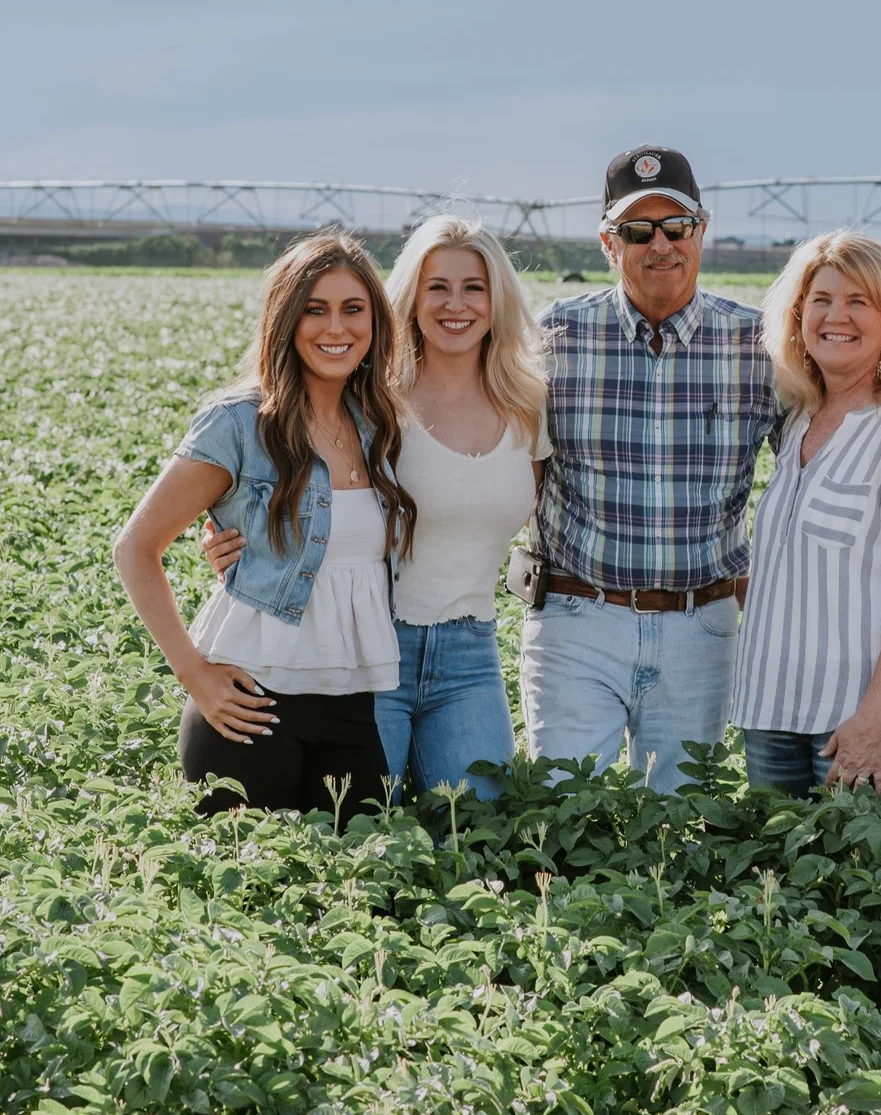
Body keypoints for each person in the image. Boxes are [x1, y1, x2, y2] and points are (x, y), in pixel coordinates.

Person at [202, 214, 547, 801]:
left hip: (470, 649)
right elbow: (284, 468)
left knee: (481, 827)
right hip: (369, 648)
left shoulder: (529, 405)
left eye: (474, 286)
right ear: (410, 299)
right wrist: (233, 534)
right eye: (437, 287)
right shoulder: (373, 399)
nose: (454, 305)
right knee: (368, 831)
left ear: (498, 299)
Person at [112, 231, 416, 823]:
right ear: (285, 319)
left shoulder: (377, 425)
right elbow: (136, 549)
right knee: (248, 899)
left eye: (354, 309)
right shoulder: (237, 423)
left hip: (354, 704)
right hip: (249, 705)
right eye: (315, 309)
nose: (337, 328)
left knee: (364, 895)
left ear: (376, 323)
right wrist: (192, 673)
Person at [519, 145, 784, 791]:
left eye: (677, 227)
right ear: (609, 242)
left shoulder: (760, 344)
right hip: (577, 615)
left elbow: (818, 466)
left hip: (702, 623)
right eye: (638, 231)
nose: (660, 244)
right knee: (560, 804)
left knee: (677, 821)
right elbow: (498, 459)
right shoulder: (553, 336)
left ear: (702, 229)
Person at [730, 230, 881, 796]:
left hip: (861, 722)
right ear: (798, 316)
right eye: (822, 300)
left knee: (866, 882)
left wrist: (876, 721)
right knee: (775, 884)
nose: (838, 316)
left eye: (859, 302)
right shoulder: (797, 422)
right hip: (770, 713)